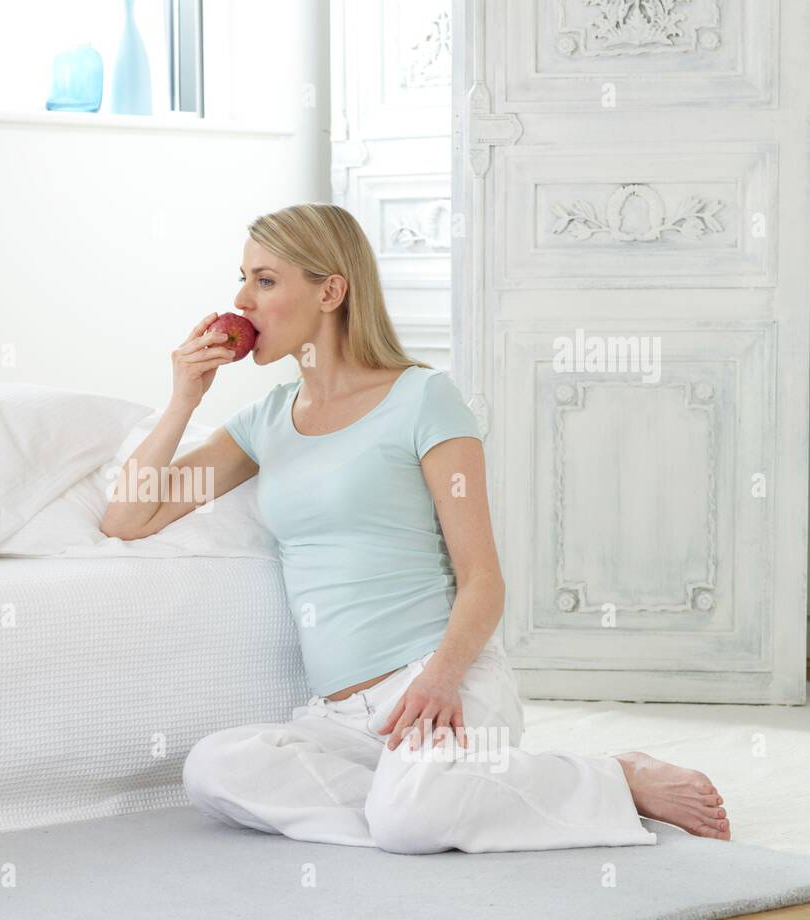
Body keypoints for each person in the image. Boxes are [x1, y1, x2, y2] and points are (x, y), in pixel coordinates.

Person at [100, 202, 730, 853]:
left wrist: (441, 677)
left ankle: (613, 778)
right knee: (212, 769)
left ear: (330, 291)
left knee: (412, 820)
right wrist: (184, 398)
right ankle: (428, 800)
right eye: (242, 278)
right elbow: (130, 516)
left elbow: (482, 577)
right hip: (340, 717)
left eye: (264, 280)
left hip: (439, 681)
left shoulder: (423, 398)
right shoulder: (267, 419)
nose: (240, 299)